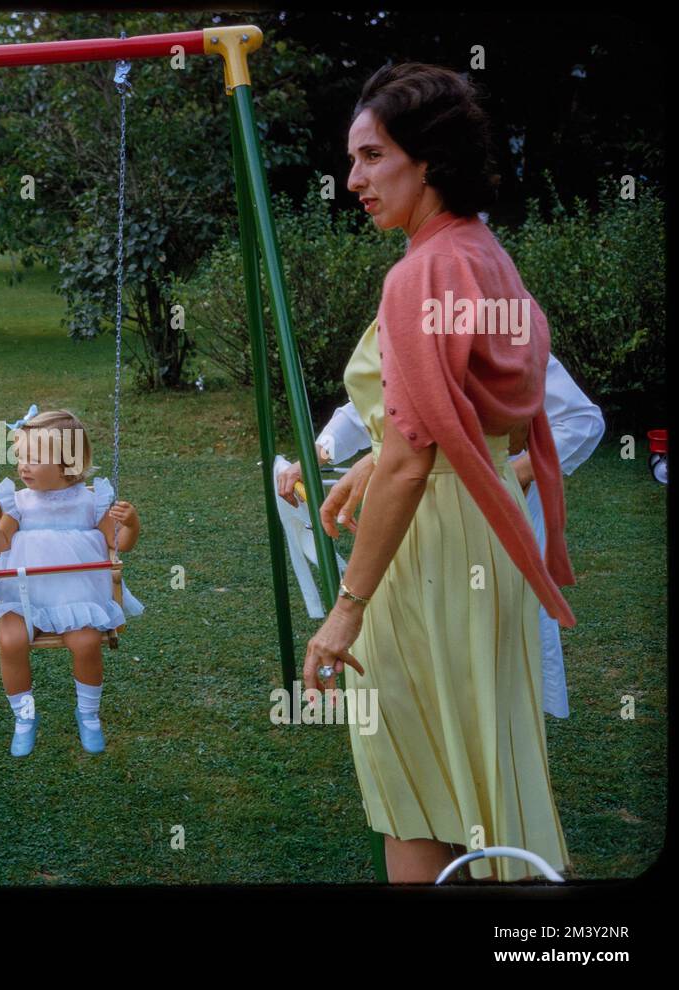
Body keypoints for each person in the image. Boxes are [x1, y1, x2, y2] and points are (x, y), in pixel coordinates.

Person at [302, 63, 577, 882]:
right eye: (352, 160)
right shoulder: (485, 253)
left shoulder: (419, 273)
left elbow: (418, 455)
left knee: (414, 776)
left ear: (427, 160)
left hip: (427, 553)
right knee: (477, 766)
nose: (353, 180)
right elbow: (454, 423)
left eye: (371, 156)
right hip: (483, 543)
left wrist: (346, 609)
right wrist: (373, 465)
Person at [280, 352, 604, 717]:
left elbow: (581, 422)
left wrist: (513, 474)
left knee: (492, 644)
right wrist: (320, 452)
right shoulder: (408, 328)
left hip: (497, 529)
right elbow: (375, 403)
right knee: (424, 635)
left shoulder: (507, 336)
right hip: (422, 524)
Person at [0, 408, 142, 756]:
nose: (23, 465)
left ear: (69, 462)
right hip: (25, 597)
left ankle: (89, 715)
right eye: (20, 456)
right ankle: (24, 717)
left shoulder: (90, 501)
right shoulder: (17, 503)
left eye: (34, 458)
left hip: (75, 596)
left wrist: (131, 524)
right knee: (10, 640)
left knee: (85, 643)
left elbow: (117, 543)